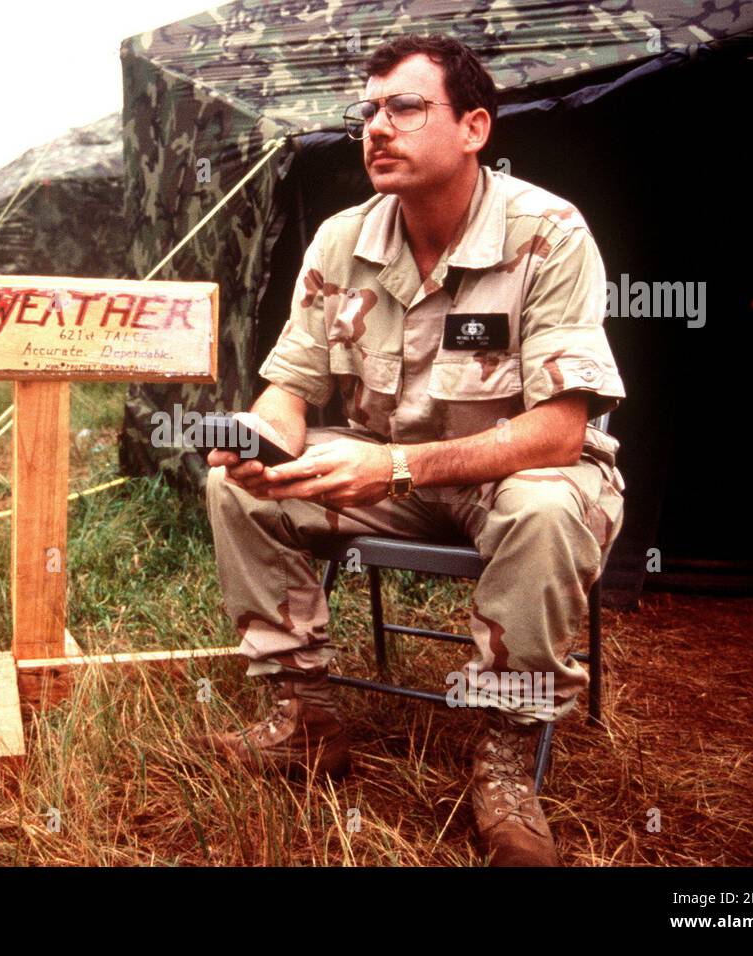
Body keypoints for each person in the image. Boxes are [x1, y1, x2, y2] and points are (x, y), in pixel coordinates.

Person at [191, 34, 626, 867]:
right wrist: (267, 440)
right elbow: (290, 384)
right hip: (390, 466)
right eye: (368, 111)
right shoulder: (341, 240)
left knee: (544, 511)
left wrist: (392, 467)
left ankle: (506, 757)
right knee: (240, 487)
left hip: (519, 472)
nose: (377, 128)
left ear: (474, 127)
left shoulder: (549, 232)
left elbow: (559, 432)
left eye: (405, 107)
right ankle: (304, 717)